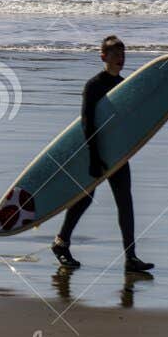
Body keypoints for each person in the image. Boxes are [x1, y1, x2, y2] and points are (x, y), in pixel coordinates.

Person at [51, 35, 155, 273]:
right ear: (103, 57)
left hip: (117, 153)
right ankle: (61, 243)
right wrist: (94, 156)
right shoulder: (93, 85)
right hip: (94, 150)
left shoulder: (125, 86)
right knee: (84, 199)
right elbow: (87, 123)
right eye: (116, 54)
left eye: (123, 54)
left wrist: (129, 147)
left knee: (125, 203)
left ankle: (131, 258)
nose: (121, 59)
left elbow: (129, 122)